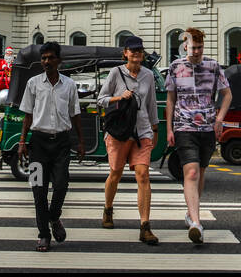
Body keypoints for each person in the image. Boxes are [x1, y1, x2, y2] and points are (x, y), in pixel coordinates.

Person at [165, 27, 231, 244]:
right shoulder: (175, 67)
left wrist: (220, 118)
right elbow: (171, 100)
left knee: (200, 172)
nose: (196, 51)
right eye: (193, 47)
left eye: (200, 48)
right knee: (191, 172)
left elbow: (227, 94)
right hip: (184, 127)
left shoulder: (213, 66)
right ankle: (196, 223)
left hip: (208, 128)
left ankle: (190, 213)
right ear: (186, 46)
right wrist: (169, 129)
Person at [17, 42, 85, 252]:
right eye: (43, 58)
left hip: (62, 143)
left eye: (50, 58)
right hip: (38, 144)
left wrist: (81, 141)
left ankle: (54, 217)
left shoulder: (69, 85)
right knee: (38, 191)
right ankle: (44, 235)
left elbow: (75, 114)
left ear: (59, 60)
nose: (46, 61)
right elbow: (28, 114)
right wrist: (22, 141)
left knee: (62, 185)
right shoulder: (33, 83)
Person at [97, 35, 160, 245]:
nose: (136, 54)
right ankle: (108, 209)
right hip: (119, 132)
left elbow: (151, 103)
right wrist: (119, 97)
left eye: (139, 51)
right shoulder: (116, 73)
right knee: (115, 173)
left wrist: (154, 127)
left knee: (143, 175)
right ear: (125, 53)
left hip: (142, 131)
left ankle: (145, 226)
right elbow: (101, 99)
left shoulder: (148, 76)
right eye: (132, 51)